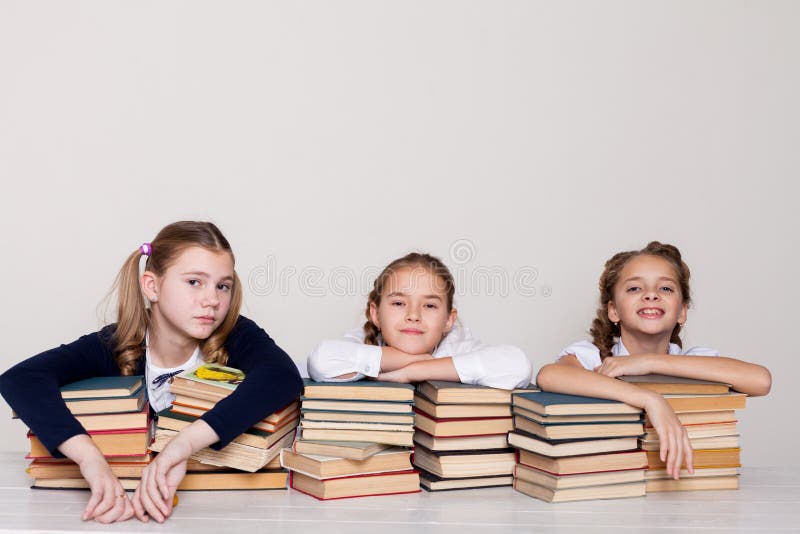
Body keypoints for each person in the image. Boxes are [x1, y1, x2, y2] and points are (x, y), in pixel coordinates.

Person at [0, 221, 302, 524]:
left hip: (222, 511)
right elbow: (21, 378)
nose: (212, 300)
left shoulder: (236, 335)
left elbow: (281, 376)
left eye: (222, 286)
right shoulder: (114, 345)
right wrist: (89, 458)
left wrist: (184, 443)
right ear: (152, 286)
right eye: (195, 282)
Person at [536, 241, 771, 480]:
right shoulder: (594, 358)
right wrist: (650, 400)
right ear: (613, 310)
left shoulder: (694, 363)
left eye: (666, 289)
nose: (651, 295)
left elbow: (760, 381)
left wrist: (648, 362)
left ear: (682, 311)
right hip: (609, 482)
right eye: (634, 289)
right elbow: (549, 375)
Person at [307, 252, 532, 390]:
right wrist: (402, 358)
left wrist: (416, 370)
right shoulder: (365, 341)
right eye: (398, 303)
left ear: (448, 320)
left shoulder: (458, 346)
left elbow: (518, 365)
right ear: (375, 314)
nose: (413, 315)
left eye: (430, 306)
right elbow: (320, 361)